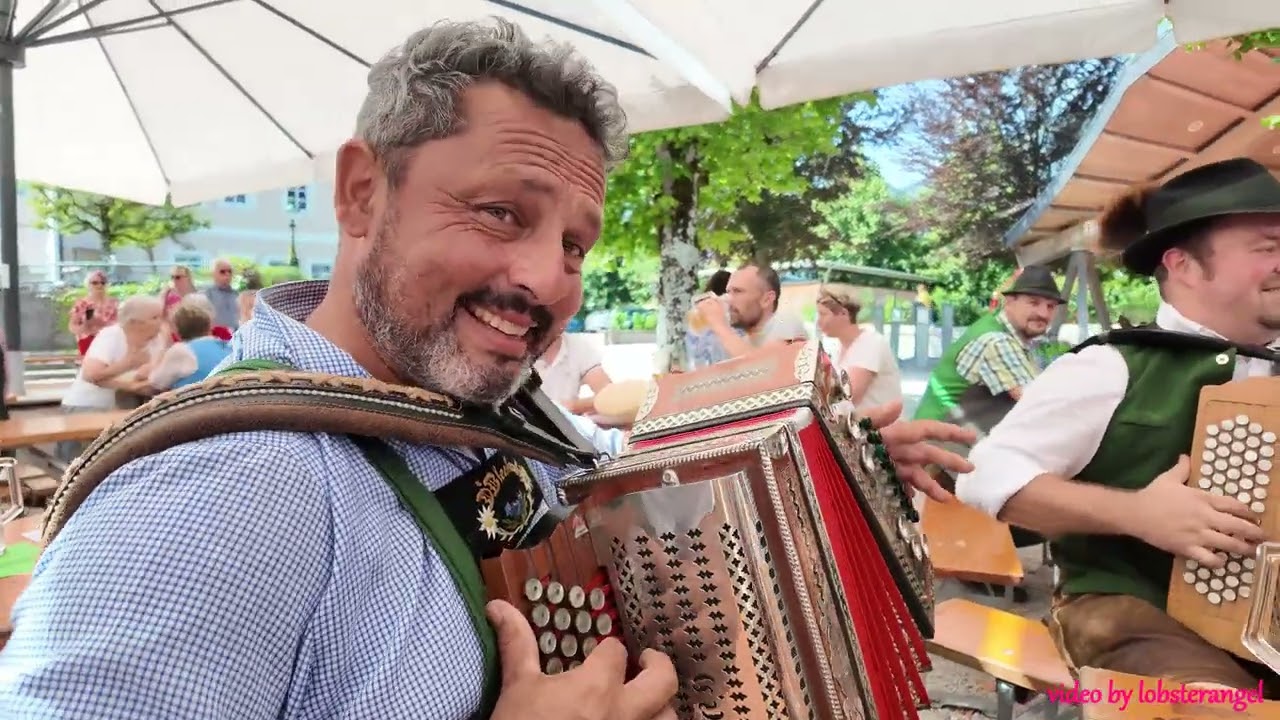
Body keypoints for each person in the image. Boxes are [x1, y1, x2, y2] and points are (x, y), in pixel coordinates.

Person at [0, 18, 976, 720]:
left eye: (574, 244)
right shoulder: (218, 494)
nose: (545, 278)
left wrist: (807, 463)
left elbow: (628, 478)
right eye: (501, 213)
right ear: (359, 193)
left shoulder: (495, 415)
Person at [958, 157, 1280, 693]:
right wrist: (1138, 514)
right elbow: (984, 473)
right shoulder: (1110, 366)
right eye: (1267, 248)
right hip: (1134, 616)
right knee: (1212, 710)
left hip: (1264, 630)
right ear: (1183, 265)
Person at [693, 264, 808, 358]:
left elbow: (765, 372)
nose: (728, 300)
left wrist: (719, 325)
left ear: (766, 299)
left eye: (738, 291)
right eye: (728, 292)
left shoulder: (785, 321)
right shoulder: (743, 342)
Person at [815, 287, 903, 410]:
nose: (818, 322)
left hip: (880, 427)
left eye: (823, 315)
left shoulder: (870, 343)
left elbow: (849, 397)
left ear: (843, 314)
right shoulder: (838, 348)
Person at [148, 296, 232, 390]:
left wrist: (164, 347)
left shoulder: (181, 350)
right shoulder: (228, 346)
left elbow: (155, 383)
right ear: (209, 326)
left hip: (200, 402)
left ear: (176, 330)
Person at [533, 332, 613, 414]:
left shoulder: (577, 346)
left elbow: (610, 396)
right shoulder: (522, 348)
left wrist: (570, 407)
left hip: (563, 423)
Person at [67, 270, 118, 356]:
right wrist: (85, 326)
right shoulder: (82, 304)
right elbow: (72, 327)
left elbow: (120, 325)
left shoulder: (114, 303)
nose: (99, 285)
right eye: (95, 283)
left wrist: (102, 324)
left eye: (103, 282)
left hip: (109, 342)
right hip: (88, 342)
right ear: (88, 285)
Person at [204, 257, 240, 330]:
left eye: (229, 271)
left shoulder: (237, 295)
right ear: (213, 274)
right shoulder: (206, 296)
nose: (227, 274)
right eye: (222, 271)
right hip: (215, 337)